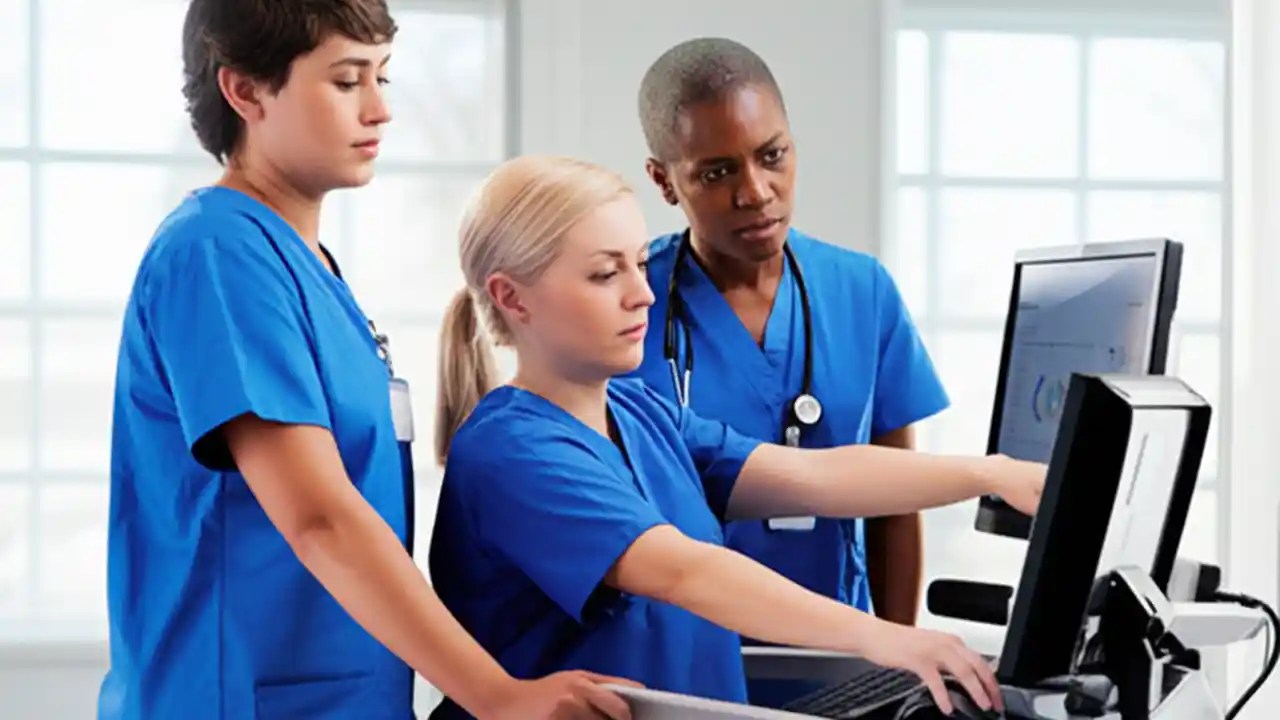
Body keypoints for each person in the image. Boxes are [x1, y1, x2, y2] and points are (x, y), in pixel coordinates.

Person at [99, 2, 632, 718]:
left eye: (383, 76)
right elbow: (318, 515)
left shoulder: (307, 268)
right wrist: (497, 696)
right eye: (348, 81)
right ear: (246, 92)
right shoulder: (217, 253)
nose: (380, 109)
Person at [428, 155, 1045, 718]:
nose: (642, 295)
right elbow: (683, 571)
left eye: (640, 264)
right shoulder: (513, 452)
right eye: (603, 274)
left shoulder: (642, 413)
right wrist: (884, 636)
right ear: (513, 298)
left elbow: (815, 477)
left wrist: (992, 474)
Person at [630, 37, 941, 669]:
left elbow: (895, 503)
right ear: (664, 181)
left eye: (772, 156)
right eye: (717, 173)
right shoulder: (629, 304)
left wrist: (895, 667)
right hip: (682, 667)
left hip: (839, 661)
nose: (757, 191)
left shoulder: (862, 291)